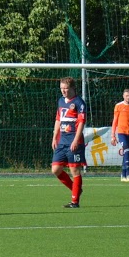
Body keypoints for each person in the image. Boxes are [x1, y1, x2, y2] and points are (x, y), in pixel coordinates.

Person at [50, 77, 87, 209]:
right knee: (55, 169)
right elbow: (58, 119)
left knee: (74, 170)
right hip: (62, 141)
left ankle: (75, 202)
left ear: (72, 88)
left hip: (74, 141)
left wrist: (76, 140)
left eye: (65, 88)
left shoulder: (79, 103)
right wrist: (55, 136)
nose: (63, 91)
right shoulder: (61, 101)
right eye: (61, 88)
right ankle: (76, 189)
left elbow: (82, 122)